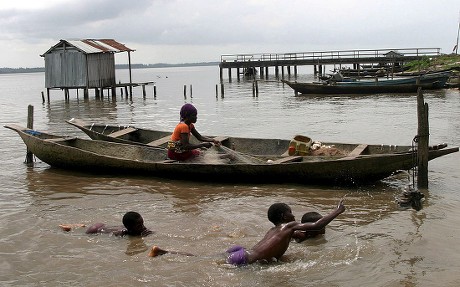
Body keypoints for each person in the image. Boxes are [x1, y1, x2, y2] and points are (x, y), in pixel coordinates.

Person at [149, 200, 345, 266]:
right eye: (290, 211)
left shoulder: (275, 229)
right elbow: (317, 224)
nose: (293, 214)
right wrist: (338, 210)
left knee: (204, 257)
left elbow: (274, 252)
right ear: (285, 216)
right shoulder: (290, 227)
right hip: (244, 258)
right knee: (200, 260)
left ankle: (163, 252)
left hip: (242, 251)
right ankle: (163, 252)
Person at [60, 211, 152, 237]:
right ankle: (68, 228)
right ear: (129, 228)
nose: (143, 227)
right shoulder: (121, 233)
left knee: (84, 227)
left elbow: (149, 232)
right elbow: (114, 235)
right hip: (95, 229)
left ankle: (80, 225)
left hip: (102, 225)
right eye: (139, 226)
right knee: (83, 233)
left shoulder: (136, 228)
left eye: (142, 224)